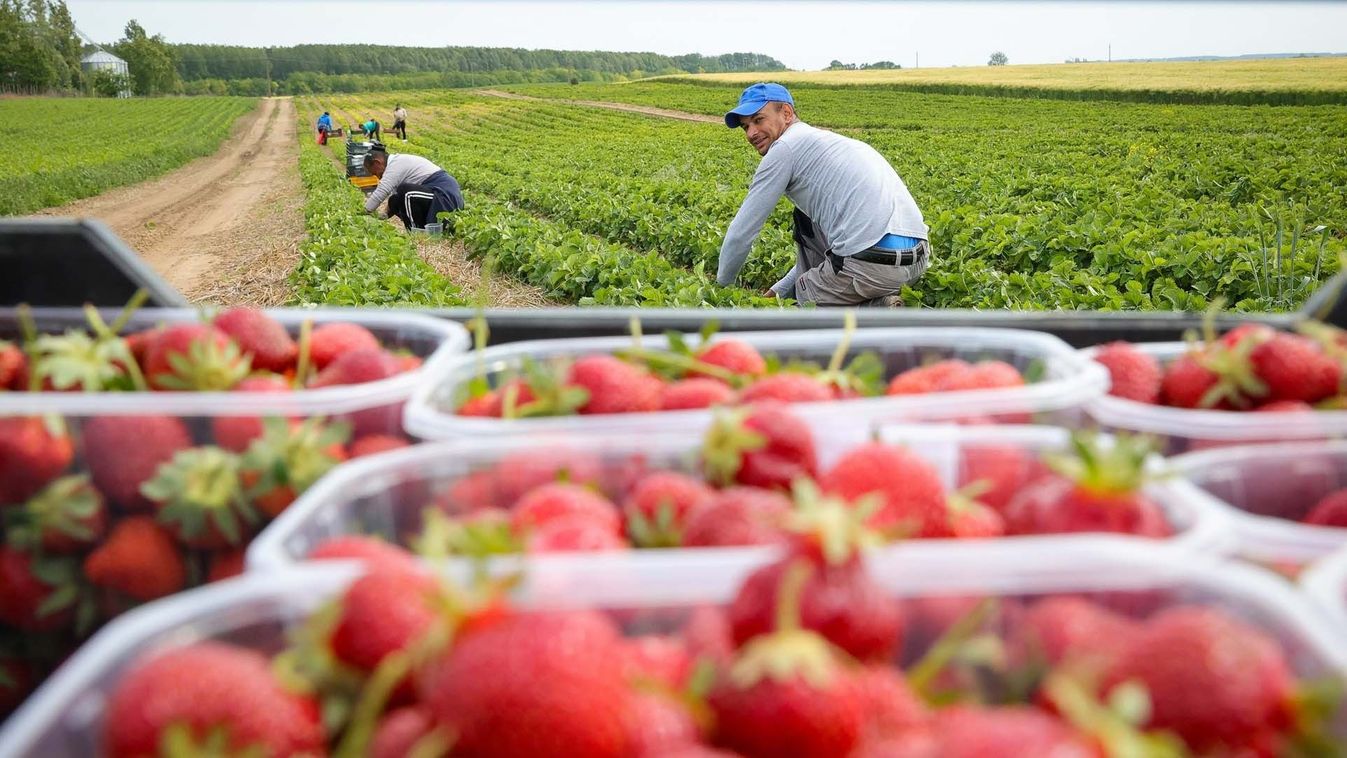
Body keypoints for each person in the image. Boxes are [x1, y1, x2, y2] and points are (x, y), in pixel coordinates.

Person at [716, 83, 930, 307]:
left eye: (758, 120)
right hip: (916, 263)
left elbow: (742, 232)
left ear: (787, 113)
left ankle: (876, 309)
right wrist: (776, 291)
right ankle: (873, 299)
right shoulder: (831, 143)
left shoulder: (784, 149)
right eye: (745, 127)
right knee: (805, 220)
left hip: (871, 269)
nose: (751, 133)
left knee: (805, 299)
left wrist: (721, 291)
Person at [363, 146, 464, 231]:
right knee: (395, 199)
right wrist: (382, 216)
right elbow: (394, 199)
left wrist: (364, 212)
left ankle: (416, 232)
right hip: (435, 194)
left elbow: (382, 190)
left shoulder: (396, 164)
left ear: (377, 163)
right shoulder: (397, 164)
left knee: (405, 191)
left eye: (374, 173)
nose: (377, 176)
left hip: (445, 196)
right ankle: (423, 228)